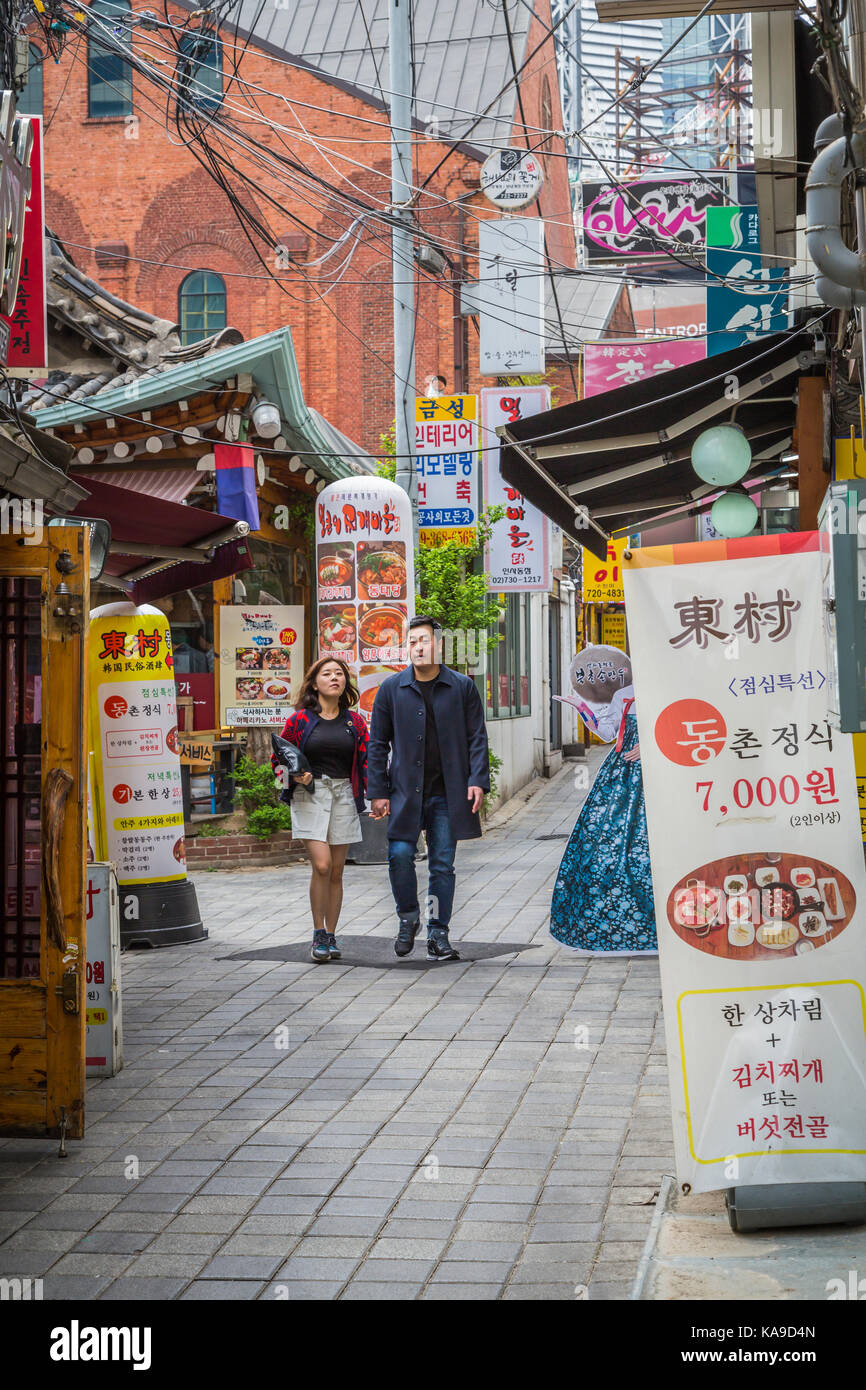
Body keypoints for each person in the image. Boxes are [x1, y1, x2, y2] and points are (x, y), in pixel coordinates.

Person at [368, 614, 490, 962]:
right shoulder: (392, 689)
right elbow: (377, 743)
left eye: (423, 640)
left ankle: (438, 932)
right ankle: (408, 918)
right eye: (411, 642)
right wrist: (378, 791)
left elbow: (476, 738)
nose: (417, 647)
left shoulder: (462, 687)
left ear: (438, 643)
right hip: (405, 791)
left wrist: (477, 780)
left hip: (447, 793)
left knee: (441, 865)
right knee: (400, 856)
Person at [549, 677, 656, 955]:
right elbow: (608, 732)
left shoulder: (677, 684)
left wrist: (656, 744)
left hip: (665, 772)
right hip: (624, 775)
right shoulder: (625, 694)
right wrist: (582, 708)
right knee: (608, 847)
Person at [272, 656, 368, 963]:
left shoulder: (356, 721)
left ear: (345, 683)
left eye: (339, 674)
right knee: (323, 865)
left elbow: (367, 761)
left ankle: (330, 934)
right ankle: (317, 932)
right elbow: (278, 761)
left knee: (338, 871)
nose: (334, 678)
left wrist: (378, 794)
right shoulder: (299, 720)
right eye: (327, 674)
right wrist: (295, 775)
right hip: (310, 795)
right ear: (315, 683)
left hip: (343, 794)